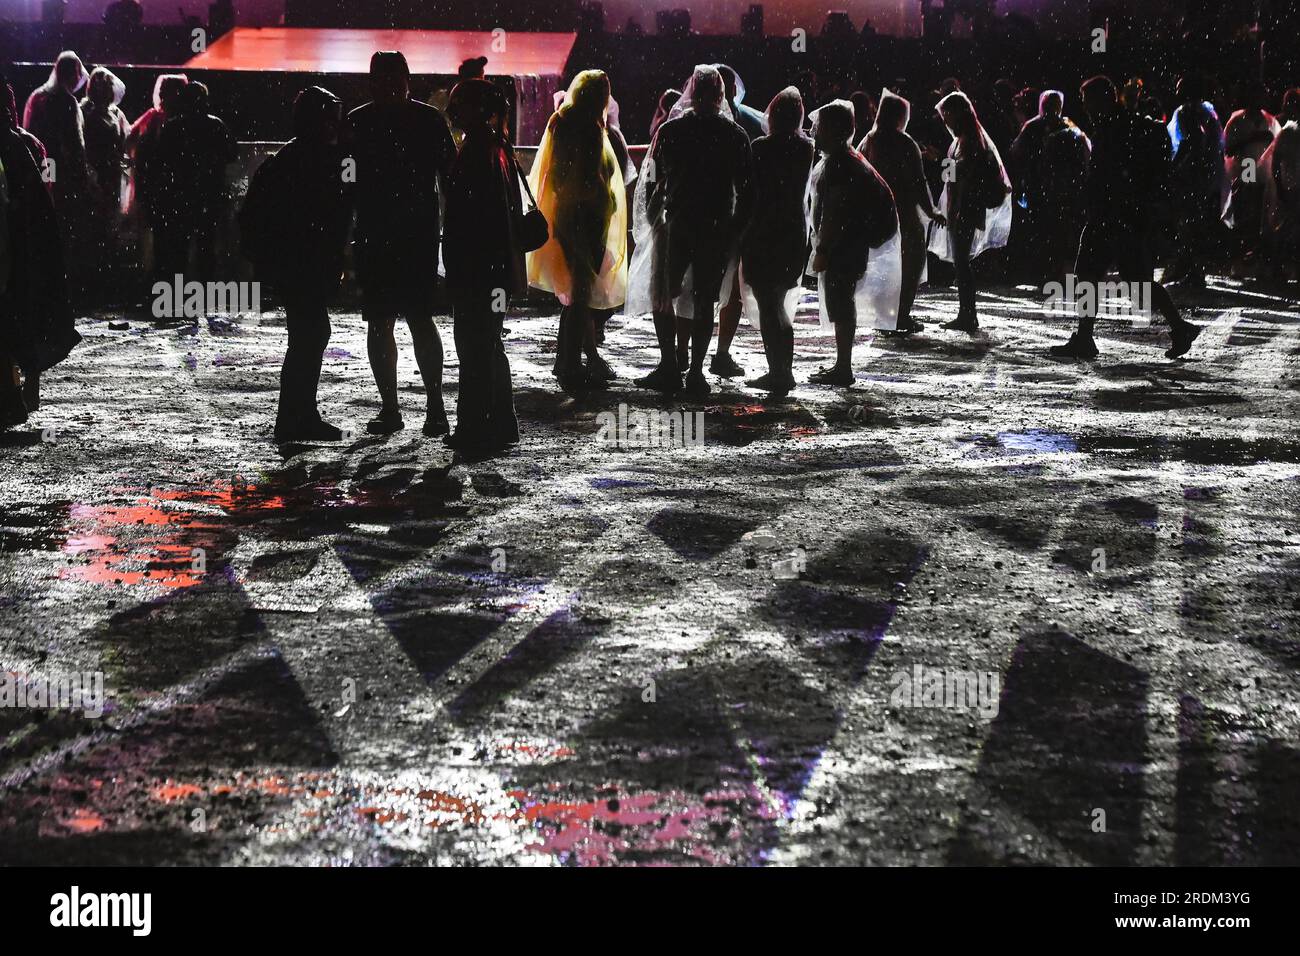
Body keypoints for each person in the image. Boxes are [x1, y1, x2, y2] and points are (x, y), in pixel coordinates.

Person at [343, 51, 457, 436]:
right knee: (418, 320)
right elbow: (450, 180)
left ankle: (393, 408)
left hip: (377, 235)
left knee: (382, 322)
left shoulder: (357, 123)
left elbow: (345, 186)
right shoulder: (428, 120)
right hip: (416, 235)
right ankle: (434, 407)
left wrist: (343, 238)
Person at [1049, 75, 1199, 361]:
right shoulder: (1127, 124)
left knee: (1091, 275)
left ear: (1100, 99)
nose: (1085, 107)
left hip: (1111, 215)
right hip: (1126, 215)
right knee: (1133, 280)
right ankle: (1178, 327)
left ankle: (1085, 337)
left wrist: (1096, 203)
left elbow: (1108, 174)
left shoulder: (1113, 128)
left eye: (1087, 101)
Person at [628, 65, 754, 397]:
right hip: (715, 229)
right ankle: (696, 370)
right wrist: (734, 230)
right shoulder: (735, 136)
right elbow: (747, 190)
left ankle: (669, 363)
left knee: (664, 294)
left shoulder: (671, 132)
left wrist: (652, 221)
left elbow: (651, 180)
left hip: (676, 225)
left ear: (693, 93)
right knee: (704, 301)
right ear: (720, 95)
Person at [239, 86, 352, 443]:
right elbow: (327, 217)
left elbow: (252, 218)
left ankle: (298, 413)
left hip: (295, 264)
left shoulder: (285, 160)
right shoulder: (314, 160)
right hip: (303, 264)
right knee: (310, 335)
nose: (335, 126)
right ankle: (295, 416)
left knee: (308, 335)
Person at [527, 70, 628, 392]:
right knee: (580, 293)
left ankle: (574, 358)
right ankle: (571, 361)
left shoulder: (568, 122)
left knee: (578, 293)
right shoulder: (580, 125)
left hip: (578, 217)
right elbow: (568, 174)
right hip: (579, 219)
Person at [442, 79, 524, 455]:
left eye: (459, 103)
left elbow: (469, 220)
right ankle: (501, 421)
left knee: (473, 345)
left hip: (478, 271)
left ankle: (475, 425)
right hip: (496, 272)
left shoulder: (477, 151)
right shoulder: (499, 148)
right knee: (489, 342)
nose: (452, 109)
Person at [1, 69, 79, 427]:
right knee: (24, 315)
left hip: (13, 245)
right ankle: (26, 390)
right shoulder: (26, 144)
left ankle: (16, 394)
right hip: (24, 246)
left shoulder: (22, 145)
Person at [807, 99, 902, 386]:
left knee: (841, 300)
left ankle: (843, 367)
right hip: (850, 243)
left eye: (820, 126)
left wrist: (823, 248)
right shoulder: (846, 160)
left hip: (845, 247)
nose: (814, 132)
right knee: (841, 300)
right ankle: (841, 363)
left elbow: (835, 212)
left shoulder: (840, 165)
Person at [740, 86, 814, 394]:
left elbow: (750, 191)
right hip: (794, 228)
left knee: (769, 305)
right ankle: (784, 368)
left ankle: (778, 372)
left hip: (765, 228)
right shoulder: (806, 147)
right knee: (779, 302)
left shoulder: (761, 147)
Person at [927, 90, 1012, 335]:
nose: (946, 122)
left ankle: (968, 314)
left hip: (965, 207)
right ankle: (966, 312)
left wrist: (937, 162)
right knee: (961, 262)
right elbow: (952, 176)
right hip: (962, 207)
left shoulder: (969, 140)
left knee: (962, 262)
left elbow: (960, 175)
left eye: (947, 116)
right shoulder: (966, 139)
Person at [861, 88, 945, 334]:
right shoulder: (905, 143)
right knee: (910, 264)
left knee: (882, 264)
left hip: (876, 213)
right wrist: (931, 211)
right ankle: (901, 316)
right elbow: (919, 182)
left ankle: (883, 315)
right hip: (904, 214)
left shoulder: (869, 140)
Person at [710, 63, 767, 379]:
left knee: (703, 286)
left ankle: (687, 357)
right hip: (740, 216)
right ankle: (720, 352)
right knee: (731, 288)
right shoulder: (750, 121)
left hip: (704, 216)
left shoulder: (688, 124)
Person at [151, 81, 237, 286]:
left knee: (179, 245)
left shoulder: (173, 126)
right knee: (206, 245)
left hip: (180, 195)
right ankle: (206, 289)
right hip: (209, 194)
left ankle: (176, 291)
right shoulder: (215, 125)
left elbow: (161, 159)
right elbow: (232, 154)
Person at [1009, 90, 1090, 286]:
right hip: (1048, 188)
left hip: (1051, 189)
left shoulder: (1050, 126)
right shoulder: (1052, 126)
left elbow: (1015, 154)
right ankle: (1050, 271)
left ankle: (1051, 272)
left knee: (1051, 231)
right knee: (1051, 231)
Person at [1165, 75, 1226, 289]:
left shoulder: (1187, 112)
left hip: (1192, 174)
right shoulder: (1207, 111)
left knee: (1187, 221)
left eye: (1180, 87)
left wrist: (1175, 166)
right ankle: (1192, 267)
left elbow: (1192, 141)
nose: (1176, 90)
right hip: (1206, 173)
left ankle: (1192, 269)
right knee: (1196, 221)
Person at [79, 67, 130, 287]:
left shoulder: (116, 114)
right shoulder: (84, 110)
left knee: (111, 224)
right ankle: (93, 278)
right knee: (93, 225)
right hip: (94, 174)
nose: (107, 88)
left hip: (112, 174)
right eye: (103, 84)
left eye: (109, 84)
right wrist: (91, 176)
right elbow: (80, 145)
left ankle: (108, 276)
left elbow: (126, 139)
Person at [1222, 83, 1280, 275]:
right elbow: (1227, 149)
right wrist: (1251, 139)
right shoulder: (1237, 120)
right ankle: (1243, 258)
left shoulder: (1270, 121)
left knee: (1263, 214)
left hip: (1266, 172)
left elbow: (1278, 147)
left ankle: (1257, 258)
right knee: (1247, 211)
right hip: (1246, 167)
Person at [22, 50, 89, 213]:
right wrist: (82, 176)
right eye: (77, 74)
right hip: (61, 169)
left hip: (40, 163)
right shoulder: (67, 100)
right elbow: (76, 143)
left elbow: (28, 134)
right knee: (59, 210)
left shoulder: (37, 96)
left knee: (43, 207)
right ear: (73, 74)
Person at [1258, 89, 1300, 281]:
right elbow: (1274, 162)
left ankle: (1278, 265)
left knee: (1287, 227)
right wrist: (1280, 187)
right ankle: (1275, 265)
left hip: (1290, 184)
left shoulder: (1289, 129)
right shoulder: (1288, 130)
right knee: (1285, 227)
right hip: (1291, 185)